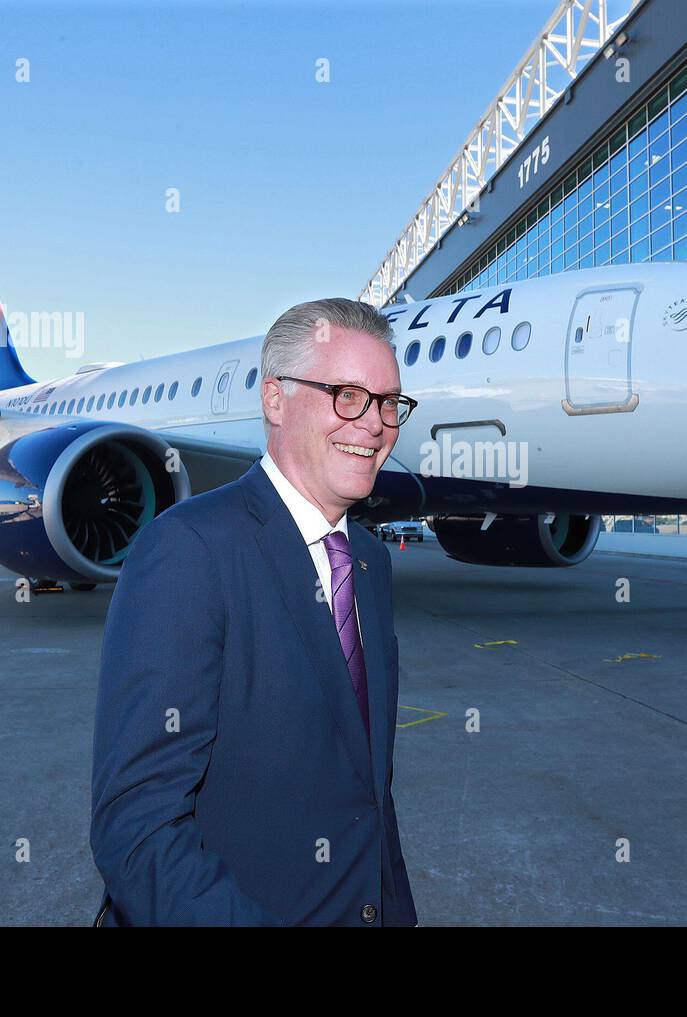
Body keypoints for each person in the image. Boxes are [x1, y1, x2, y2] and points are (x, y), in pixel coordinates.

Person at [89, 298, 419, 926]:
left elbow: (370, 796)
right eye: (347, 394)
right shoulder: (188, 549)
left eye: (388, 402)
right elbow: (137, 829)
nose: (374, 423)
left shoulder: (370, 567)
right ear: (274, 400)